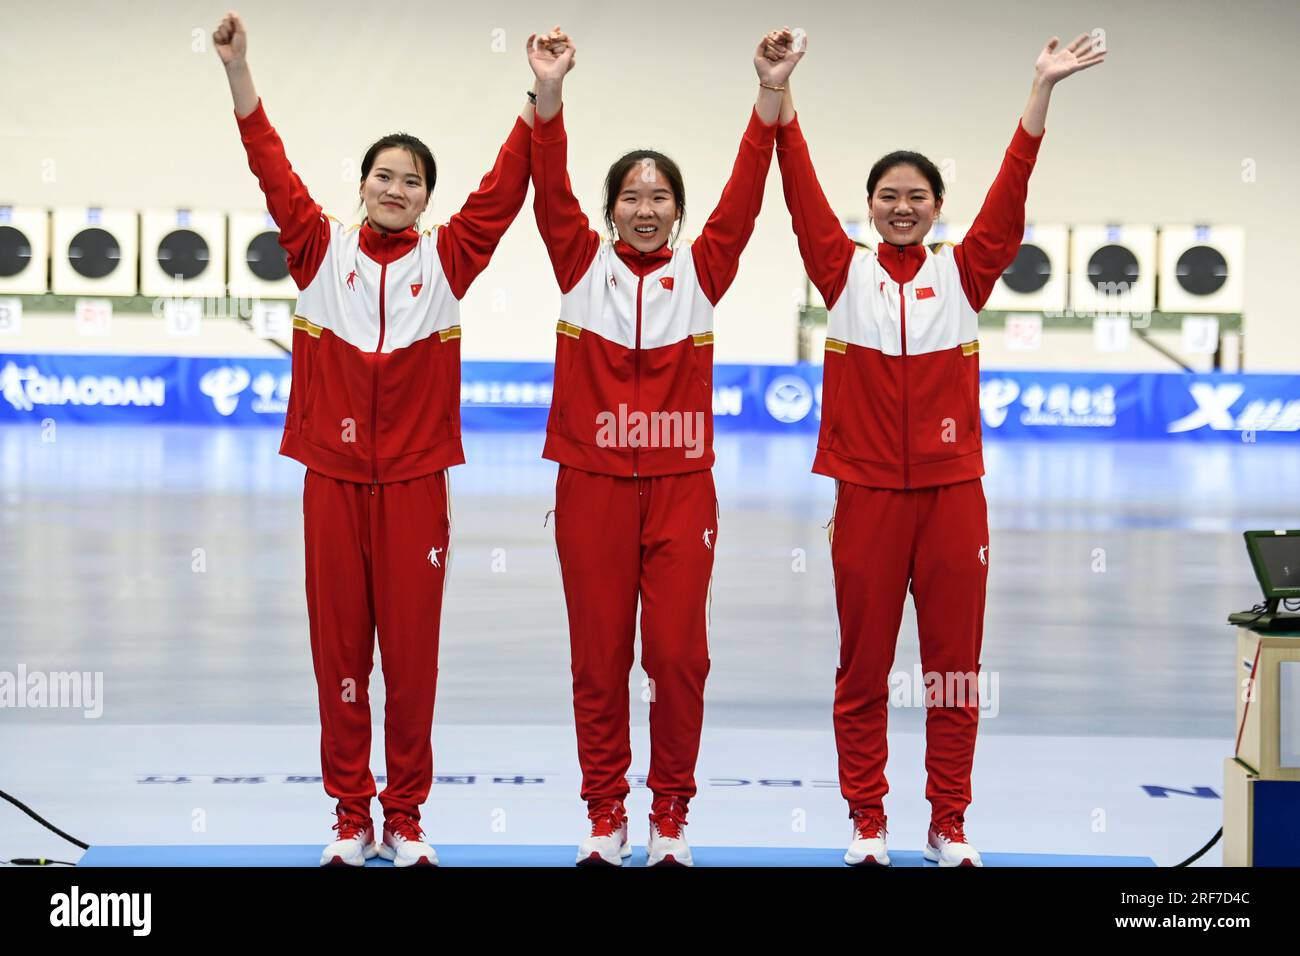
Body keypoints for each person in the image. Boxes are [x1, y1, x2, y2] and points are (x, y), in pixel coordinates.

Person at [213, 10, 550, 867]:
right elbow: (268, 165)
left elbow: (506, 191)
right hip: (330, 481)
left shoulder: (449, 262)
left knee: (410, 658)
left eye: (411, 181)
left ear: (427, 198)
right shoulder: (317, 249)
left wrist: (540, 95)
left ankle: (405, 816)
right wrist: (239, 70)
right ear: (361, 183)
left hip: (414, 487)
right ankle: (347, 815)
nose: (395, 189)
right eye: (383, 175)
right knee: (340, 658)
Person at [768, 28, 1105, 866]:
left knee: (955, 671)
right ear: (871, 203)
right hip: (868, 498)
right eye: (888, 193)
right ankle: (867, 818)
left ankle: (949, 821)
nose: (903, 204)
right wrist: (781, 95)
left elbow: (1012, 192)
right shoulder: (840, 272)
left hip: (956, 498)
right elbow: (798, 187)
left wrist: (1042, 89)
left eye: (918, 193)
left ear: (937, 205)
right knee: (863, 669)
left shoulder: (965, 274)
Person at [527, 28, 799, 866]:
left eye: (660, 197)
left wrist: (768, 95)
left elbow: (748, 195)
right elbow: (547, 189)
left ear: (677, 211)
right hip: (592, 485)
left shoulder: (703, 272)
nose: (646, 209)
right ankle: (606, 813)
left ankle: (670, 815)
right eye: (631, 197)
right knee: (599, 660)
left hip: (683, 489)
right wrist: (548, 95)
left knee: (679, 658)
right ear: (612, 209)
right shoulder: (578, 265)